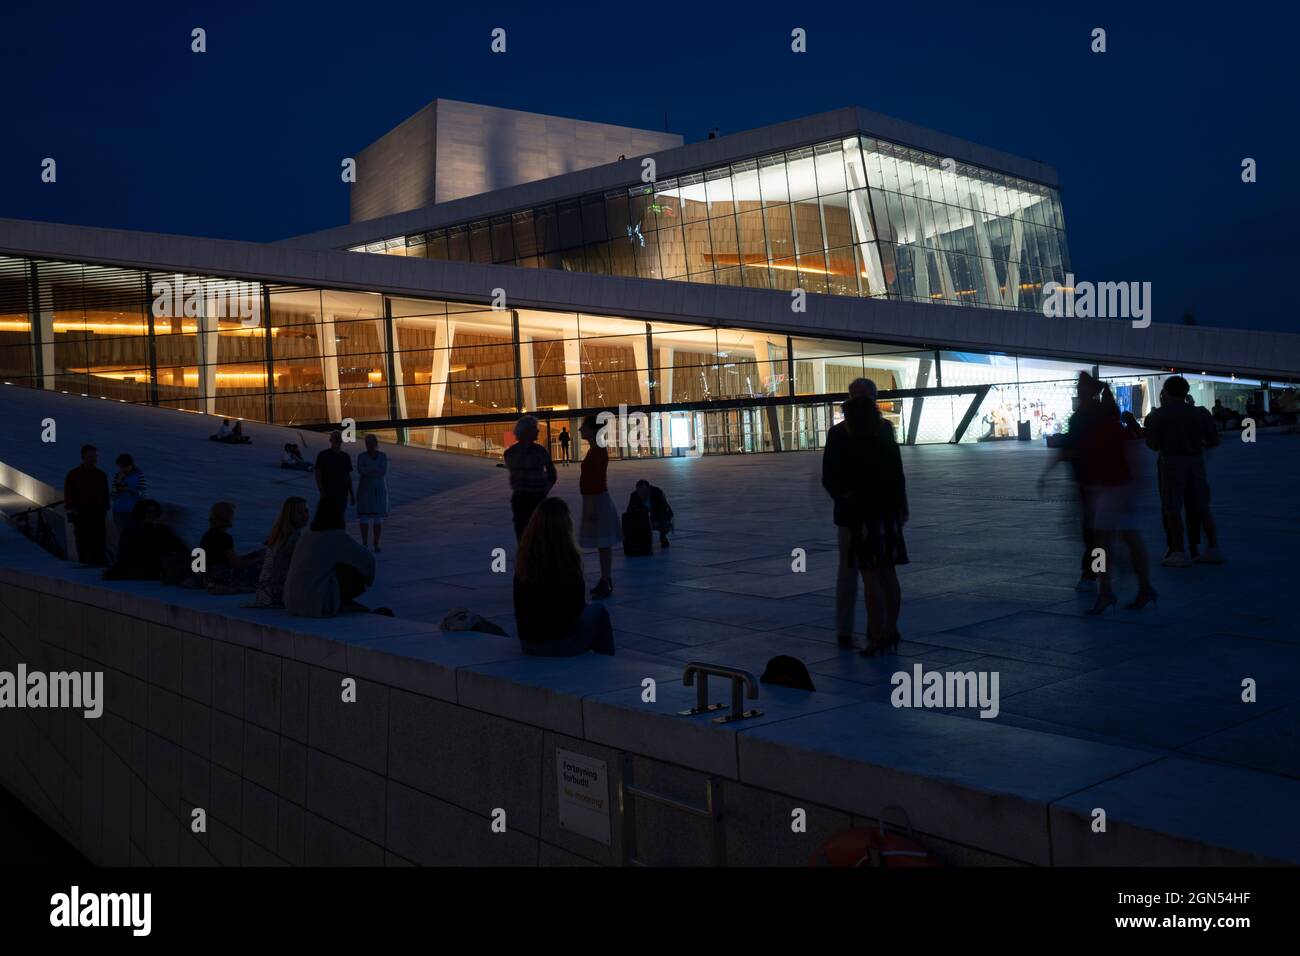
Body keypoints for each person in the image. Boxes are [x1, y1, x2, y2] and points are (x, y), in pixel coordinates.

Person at [822, 379, 909, 656]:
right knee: (885, 573)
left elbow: (830, 476)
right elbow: (896, 472)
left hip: (857, 515)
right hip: (883, 513)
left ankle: (871, 633)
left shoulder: (843, 432)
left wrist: (845, 496)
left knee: (864, 574)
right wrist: (900, 506)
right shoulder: (883, 429)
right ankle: (885, 629)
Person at [1075, 384, 1155, 613]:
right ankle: (1145, 588)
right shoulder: (1123, 430)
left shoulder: (1100, 432)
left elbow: (1096, 465)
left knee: (1101, 545)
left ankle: (1105, 590)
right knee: (1133, 541)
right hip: (1126, 490)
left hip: (1109, 492)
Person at [513, 498, 614, 656]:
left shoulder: (524, 559)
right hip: (560, 644)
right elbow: (577, 608)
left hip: (528, 643)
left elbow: (518, 608)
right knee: (599, 612)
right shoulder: (567, 560)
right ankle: (606, 666)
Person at [821, 378, 880, 646]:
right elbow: (829, 476)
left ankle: (869, 627)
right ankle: (858, 629)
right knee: (859, 572)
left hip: (863, 513)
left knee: (858, 573)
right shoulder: (841, 433)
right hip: (858, 513)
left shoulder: (878, 430)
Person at [1144, 375, 1224, 566]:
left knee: (1172, 508)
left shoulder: (1159, 415)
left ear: (1166, 392)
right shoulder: (1201, 413)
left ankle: (1179, 551)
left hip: (1171, 463)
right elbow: (1213, 440)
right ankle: (1212, 548)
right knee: (1202, 507)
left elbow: (1152, 444)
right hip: (1196, 462)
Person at [1040, 372, 1108, 591]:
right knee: (1097, 530)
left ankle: (1093, 574)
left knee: (1093, 531)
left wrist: (1046, 473)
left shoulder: (1082, 416)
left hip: (1091, 480)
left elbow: (1068, 448)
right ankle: (1099, 572)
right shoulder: (1102, 414)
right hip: (1099, 479)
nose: (1077, 391)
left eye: (1079, 388)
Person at [283, 499, 377, 617]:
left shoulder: (308, 533)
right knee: (351, 570)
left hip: (291, 602)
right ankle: (339, 602)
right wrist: (368, 580)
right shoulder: (336, 535)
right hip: (311, 604)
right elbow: (368, 562)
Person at [578, 415, 621, 598]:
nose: (580, 430)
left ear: (592, 430)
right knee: (602, 543)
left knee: (603, 543)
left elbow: (595, 480)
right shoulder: (596, 449)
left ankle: (605, 579)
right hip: (595, 500)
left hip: (597, 501)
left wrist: (592, 509)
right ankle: (605, 579)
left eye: (583, 427)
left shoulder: (597, 451)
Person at [103, 499, 185, 581]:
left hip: (158, 568)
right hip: (143, 570)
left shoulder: (161, 529)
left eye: (156, 512)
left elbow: (178, 547)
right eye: (150, 512)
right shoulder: (132, 531)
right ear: (142, 512)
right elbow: (127, 555)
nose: (153, 515)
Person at [503, 415, 557, 539]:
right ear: (526, 431)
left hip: (531, 498)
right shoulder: (537, 451)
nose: (538, 431)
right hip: (527, 499)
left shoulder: (513, 453)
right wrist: (544, 487)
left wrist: (544, 488)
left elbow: (552, 473)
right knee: (529, 534)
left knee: (530, 534)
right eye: (535, 428)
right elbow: (551, 474)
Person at [254, 496, 309, 608]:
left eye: (306, 511)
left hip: (264, 594)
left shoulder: (279, 533)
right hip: (276, 594)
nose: (305, 516)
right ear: (289, 515)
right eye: (299, 512)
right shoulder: (292, 537)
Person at [198, 501, 265, 592]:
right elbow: (237, 564)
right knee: (262, 562)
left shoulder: (206, 536)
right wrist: (256, 561)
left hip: (211, 576)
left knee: (262, 553)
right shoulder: (224, 538)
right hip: (222, 577)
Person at [64, 444, 110, 566]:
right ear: (83, 457)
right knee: (83, 541)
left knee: (99, 542)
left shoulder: (101, 475)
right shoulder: (73, 474)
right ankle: (85, 563)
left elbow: (105, 495)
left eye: (95, 456)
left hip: (98, 515)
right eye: (90, 457)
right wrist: (73, 510)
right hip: (81, 515)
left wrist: (104, 510)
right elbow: (69, 493)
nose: (94, 459)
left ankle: (98, 565)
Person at [355, 434, 390, 552]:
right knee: (364, 517)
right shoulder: (362, 456)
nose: (369, 445)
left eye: (371, 443)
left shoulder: (382, 456)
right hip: (365, 490)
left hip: (377, 491)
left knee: (377, 518)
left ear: (375, 443)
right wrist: (374, 470)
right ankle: (364, 542)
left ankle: (376, 543)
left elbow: (382, 472)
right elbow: (361, 470)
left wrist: (368, 470)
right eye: (367, 443)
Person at [314, 430, 354, 521]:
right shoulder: (323, 455)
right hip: (328, 492)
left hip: (342, 492)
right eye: (335, 439)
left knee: (340, 515)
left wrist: (351, 493)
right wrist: (322, 491)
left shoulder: (345, 456)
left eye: (338, 439)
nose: (336, 442)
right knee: (328, 517)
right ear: (331, 440)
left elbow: (347, 476)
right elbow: (318, 474)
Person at [626, 480, 674, 548]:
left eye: (643, 491)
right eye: (639, 491)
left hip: (657, 517)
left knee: (665, 524)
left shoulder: (657, 493)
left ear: (649, 489)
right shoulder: (634, 496)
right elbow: (629, 512)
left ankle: (663, 538)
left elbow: (663, 511)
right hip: (643, 519)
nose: (641, 494)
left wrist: (658, 521)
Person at [110, 453, 148, 538]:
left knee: (135, 536)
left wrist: (130, 490)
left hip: (135, 511)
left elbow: (142, 494)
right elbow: (112, 495)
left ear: (130, 465)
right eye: (120, 467)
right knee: (122, 536)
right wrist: (118, 483)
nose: (122, 469)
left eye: (124, 466)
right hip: (119, 512)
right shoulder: (117, 476)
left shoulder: (139, 475)